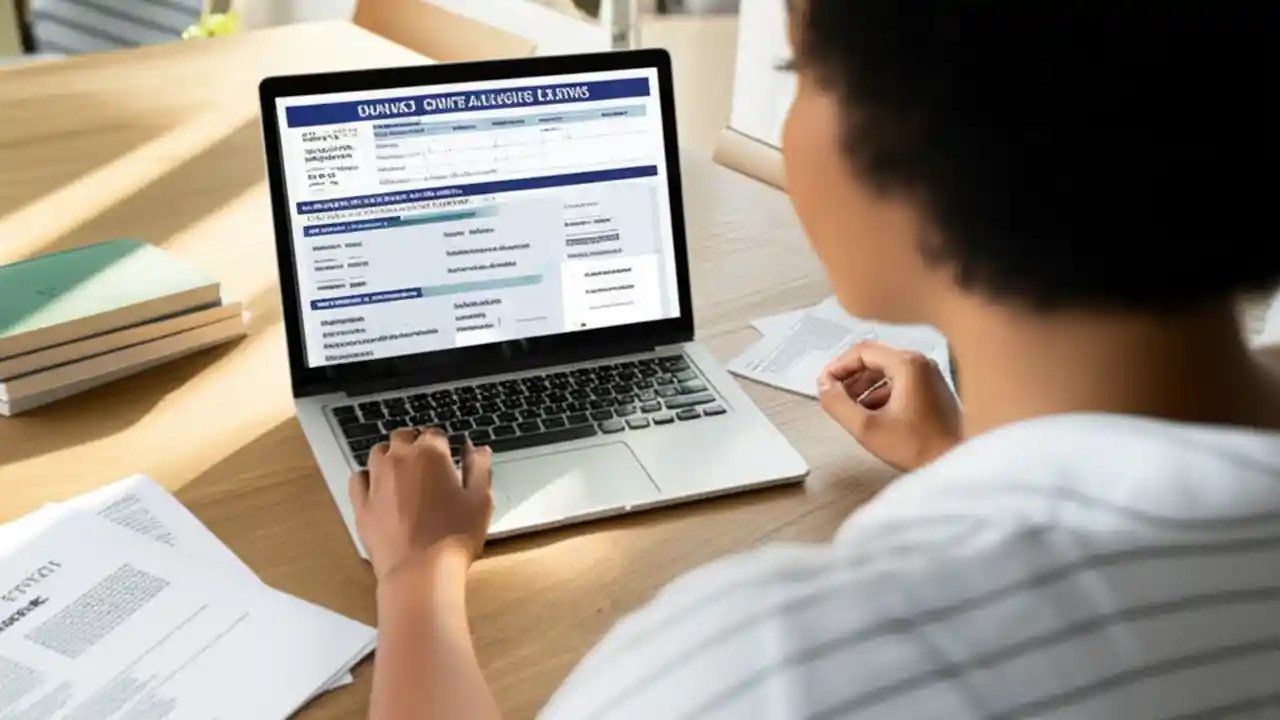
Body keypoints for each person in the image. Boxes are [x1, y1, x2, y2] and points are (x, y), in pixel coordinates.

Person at [348, 2, 1280, 718]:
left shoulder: (774, 667)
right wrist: (961, 460)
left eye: (801, 68)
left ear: (920, 137)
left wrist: (419, 572)